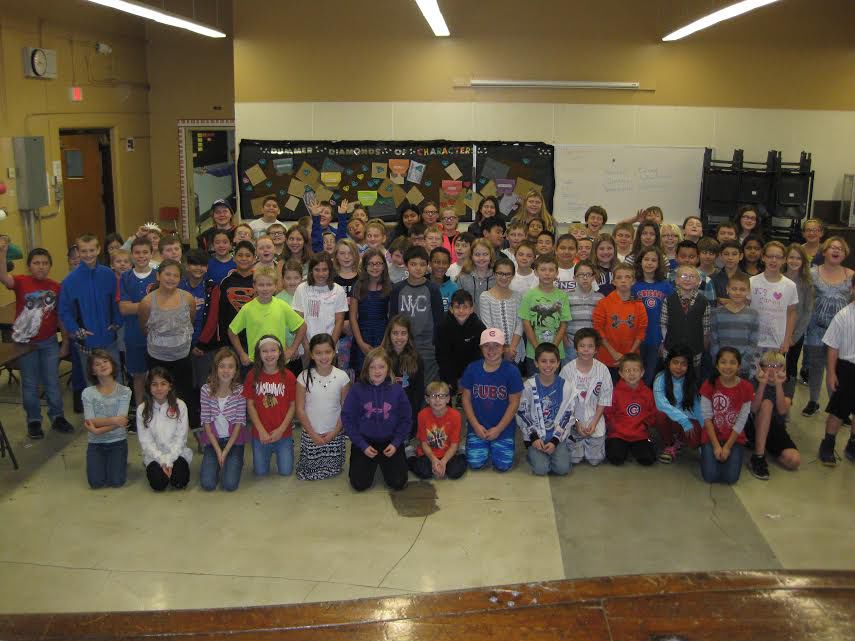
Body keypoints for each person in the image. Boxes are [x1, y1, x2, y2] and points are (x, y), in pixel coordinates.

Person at [0, 242, 71, 438]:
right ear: (29, 266)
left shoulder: (56, 287)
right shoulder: (21, 282)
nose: (41, 266)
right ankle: (33, 421)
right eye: (36, 263)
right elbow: (3, 277)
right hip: (25, 344)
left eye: (45, 263)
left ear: (50, 266)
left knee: (52, 382)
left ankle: (57, 417)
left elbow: (61, 317)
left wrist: (65, 342)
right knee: (30, 384)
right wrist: (2, 253)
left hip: (49, 342)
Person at [59, 233, 124, 413]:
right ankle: (99, 419)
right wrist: (76, 330)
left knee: (115, 379)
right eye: (84, 251)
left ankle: (119, 418)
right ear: (78, 252)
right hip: (86, 342)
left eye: (91, 250)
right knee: (93, 384)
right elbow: (64, 311)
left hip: (109, 339)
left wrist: (117, 322)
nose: (88, 255)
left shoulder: (108, 275)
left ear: (98, 250)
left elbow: (117, 301)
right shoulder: (70, 281)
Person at [342, 347, 411, 491]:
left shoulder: (397, 390)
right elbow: (347, 418)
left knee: (398, 483)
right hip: (365, 441)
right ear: (366, 369)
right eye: (372, 367)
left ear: (388, 368)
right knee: (359, 485)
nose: (377, 371)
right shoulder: (356, 389)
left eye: (381, 367)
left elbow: (406, 419)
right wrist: (362, 444)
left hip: (390, 441)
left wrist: (396, 442)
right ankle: (371, 461)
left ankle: (387, 461)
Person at [802, 237, 853, 417]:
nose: (836, 250)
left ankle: (837, 408)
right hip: (816, 328)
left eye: (840, 248)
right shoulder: (811, 273)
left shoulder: (851, 275)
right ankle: (813, 401)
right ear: (824, 251)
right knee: (816, 365)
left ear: (845, 254)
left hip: (842, 332)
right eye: (832, 247)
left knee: (838, 369)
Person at [138, 260, 196, 416]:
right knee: (159, 396)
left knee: (183, 396)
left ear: (180, 278)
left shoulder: (188, 299)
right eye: (167, 274)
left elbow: (190, 322)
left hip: (182, 356)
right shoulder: (147, 302)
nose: (171, 278)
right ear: (158, 276)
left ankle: (183, 423)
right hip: (157, 358)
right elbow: (145, 329)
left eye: (175, 275)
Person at [460, 328, 524, 471]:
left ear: (503, 348)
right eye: (486, 346)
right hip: (478, 427)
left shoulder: (512, 371)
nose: (491, 350)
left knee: (503, 465)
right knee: (475, 463)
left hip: (503, 428)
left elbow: (514, 403)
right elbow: (465, 399)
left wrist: (498, 429)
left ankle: (495, 444)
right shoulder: (472, 369)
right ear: (481, 348)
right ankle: (477, 442)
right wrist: (475, 426)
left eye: (496, 345)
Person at [295, 334, 351, 480]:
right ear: (312, 355)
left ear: (334, 352)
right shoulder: (303, 377)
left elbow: (345, 409)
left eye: (327, 352)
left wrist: (334, 433)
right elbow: (300, 409)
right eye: (318, 353)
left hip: (334, 433)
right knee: (309, 471)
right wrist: (312, 434)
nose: (324, 356)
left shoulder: (342, 377)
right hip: (311, 433)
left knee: (333, 470)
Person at [228, 265, 305, 369]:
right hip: (256, 363)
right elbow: (232, 331)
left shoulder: (282, 305)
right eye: (261, 285)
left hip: (279, 362)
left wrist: (291, 350)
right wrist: (242, 354)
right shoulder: (247, 309)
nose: (265, 288)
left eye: (269, 284)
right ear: (254, 286)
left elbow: (302, 326)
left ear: (275, 286)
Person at [243, 335, 298, 477]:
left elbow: (293, 405)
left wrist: (281, 430)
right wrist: (261, 430)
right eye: (264, 351)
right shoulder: (252, 375)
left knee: (285, 472)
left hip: (283, 433)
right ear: (259, 354)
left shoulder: (289, 376)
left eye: (273, 350)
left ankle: (287, 445)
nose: (269, 355)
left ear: (280, 352)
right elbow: (250, 404)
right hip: (260, 434)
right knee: (260, 472)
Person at [388, 246, 444, 384]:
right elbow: (392, 319)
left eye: (422, 264)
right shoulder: (397, 289)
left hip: (427, 347)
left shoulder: (433, 289)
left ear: (427, 265)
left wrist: (435, 344)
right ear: (406, 265)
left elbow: (439, 321)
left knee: (427, 385)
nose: (418, 268)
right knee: (405, 385)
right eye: (413, 264)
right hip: (403, 346)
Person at [559, 328, 613, 466]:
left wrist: (594, 423)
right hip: (573, 420)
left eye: (590, 346)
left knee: (595, 460)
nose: (586, 350)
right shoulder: (567, 370)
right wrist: (577, 422)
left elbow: (604, 400)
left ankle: (594, 440)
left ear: (596, 349)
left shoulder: (603, 370)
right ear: (576, 348)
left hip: (595, 417)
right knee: (575, 459)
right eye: (582, 346)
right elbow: (565, 402)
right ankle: (576, 442)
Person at [517, 343, 573, 476]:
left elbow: (568, 415)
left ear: (558, 363)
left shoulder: (566, 386)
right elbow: (522, 413)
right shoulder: (528, 386)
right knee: (541, 469)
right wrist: (534, 438)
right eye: (543, 361)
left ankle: (557, 451)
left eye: (552, 361)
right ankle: (533, 453)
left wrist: (555, 441)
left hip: (556, 436)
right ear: (536, 363)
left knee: (562, 469)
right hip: (536, 437)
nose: (548, 365)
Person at [699, 347, 754, 484]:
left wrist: (728, 447)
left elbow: (741, 421)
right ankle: (706, 452)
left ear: (739, 366)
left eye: (732, 362)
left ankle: (721, 456)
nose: (728, 366)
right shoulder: (708, 385)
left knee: (730, 478)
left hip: (734, 438)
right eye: (723, 362)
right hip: (712, 436)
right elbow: (707, 419)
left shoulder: (747, 387)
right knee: (710, 477)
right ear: (717, 365)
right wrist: (716, 446)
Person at [746, 350, 801, 479]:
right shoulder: (753, 381)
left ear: (783, 368)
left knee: (794, 460)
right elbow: (753, 408)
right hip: (753, 426)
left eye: (777, 366)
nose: (772, 370)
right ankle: (758, 457)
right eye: (768, 365)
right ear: (761, 367)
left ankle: (764, 445)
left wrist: (778, 385)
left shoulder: (788, 383)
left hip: (776, 427)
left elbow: (782, 410)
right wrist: (762, 384)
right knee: (767, 404)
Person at [199, 348, 247, 492]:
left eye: (230, 366)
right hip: (213, 441)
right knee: (208, 484)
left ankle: (235, 459)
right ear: (216, 369)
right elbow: (206, 423)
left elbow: (239, 424)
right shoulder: (206, 390)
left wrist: (225, 451)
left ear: (236, 370)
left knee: (229, 485)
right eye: (222, 366)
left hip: (233, 442)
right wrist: (218, 451)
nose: (226, 371)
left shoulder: (240, 391)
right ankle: (221, 461)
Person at [818, 277, 855, 465]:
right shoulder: (844, 315)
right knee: (839, 410)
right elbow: (832, 346)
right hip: (847, 368)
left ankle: (852, 443)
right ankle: (828, 443)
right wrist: (831, 373)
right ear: (852, 288)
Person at [82, 349, 131, 488]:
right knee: (96, 483)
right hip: (95, 443)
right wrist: (115, 420)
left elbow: (122, 420)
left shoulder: (125, 391)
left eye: (105, 361)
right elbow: (91, 421)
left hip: (118, 441)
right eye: (97, 364)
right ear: (93, 371)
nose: (102, 365)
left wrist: (98, 430)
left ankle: (118, 461)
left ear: (112, 365)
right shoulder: (88, 393)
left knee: (116, 482)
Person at [137, 367, 192, 491]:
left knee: (180, 481)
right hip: (155, 456)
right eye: (154, 384)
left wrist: (170, 460)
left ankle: (172, 470)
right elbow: (146, 441)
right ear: (148, 387)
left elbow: (181, 438)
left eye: (163, 384)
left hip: (176, 454)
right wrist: (162, 460)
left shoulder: (180, 405)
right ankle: (157, 469)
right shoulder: (142, 409)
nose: (159, 388)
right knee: (158, 484)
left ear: (170, 386)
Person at [119, 237, 158, 407]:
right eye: (137, 252)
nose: (141, 256)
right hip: (134, 335)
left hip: (157, 336)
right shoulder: (125, 278)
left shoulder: (158, 276)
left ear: (151, 253)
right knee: (138, 376)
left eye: (145, 252)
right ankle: (141, 411)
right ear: (132, 255)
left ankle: (157, 410)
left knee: (158, 376)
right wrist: (150, 305)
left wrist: (135, 306)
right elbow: (124, 308)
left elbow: (164, 306)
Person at [592, 263, 647, 379]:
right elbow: (598, 329)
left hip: (631, 359)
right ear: (613, 282)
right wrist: (613, 353)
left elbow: (641, 332)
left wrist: (629, 355)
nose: (623, 281)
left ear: (633, 281)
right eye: (619, 277)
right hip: (607, 357)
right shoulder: (603, 303)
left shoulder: (639, 305)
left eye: (627, 277)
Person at [198, 240, 256, 352]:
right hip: (230, 340)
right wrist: (222, 341)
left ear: (254, 259)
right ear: (234, 258)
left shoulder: (259, 281)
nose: (244, 258)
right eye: (240, 255)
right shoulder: (226, 282)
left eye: (248, 255)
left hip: (255, 337)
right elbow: (220, 314)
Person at [293, 252, 348, 363]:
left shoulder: (338, 290)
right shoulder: (301, 289)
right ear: (311, 271)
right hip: (306, 346)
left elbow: (339, 321)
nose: (321, 273)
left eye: (324, 269)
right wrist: (307, 346)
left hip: (330, 347)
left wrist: (330, 347)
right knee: (308, 374)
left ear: (330, 271)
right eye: (317, 270)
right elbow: (298, 321)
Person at [520, 253, 571, 371]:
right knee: (534, 380)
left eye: (551, 270)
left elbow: (564, 323)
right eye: (543, 270)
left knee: (553, 380)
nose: (547, 273)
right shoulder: (529, 295)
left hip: (555, 352)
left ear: (557, 273)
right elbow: (526, 323)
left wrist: (553, 348)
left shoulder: (562, 296)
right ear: (536, 272)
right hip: (534, 351)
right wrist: (537, 348)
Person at [604, 353, 657, 466]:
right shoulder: (615, 392)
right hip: (619, 434)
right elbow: (609, 413)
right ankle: (622, 448)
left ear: (642, 372)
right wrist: (614, 427)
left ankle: (635, 449)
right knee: (615, 459)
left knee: (648, 459)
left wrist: (645, 426)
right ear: (621, 373)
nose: (632, 374)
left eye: (635, 370)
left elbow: (652, 413)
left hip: (640, 434)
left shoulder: (647, 393)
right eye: (627, 370)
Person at [653, 344, 703, 464]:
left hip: (687, 419)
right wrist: (684, 421)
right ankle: (669, 444)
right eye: (675, 362)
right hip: (671, 419)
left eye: (683, 364)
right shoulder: (660, 378)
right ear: (668, 363)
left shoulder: (692, 381)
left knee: (695, 442)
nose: (679, 367)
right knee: (659, 414)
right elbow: (661, 404)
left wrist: (705, 432)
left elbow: (698, 408)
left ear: (689, 366)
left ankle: (679, 441)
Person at [408, 380, 467, 480]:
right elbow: (424, 443)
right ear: (427, 399)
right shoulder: (422, 415)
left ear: (448, 399)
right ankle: (410, 455)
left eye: (442, 396)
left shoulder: (455, 415)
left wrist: (443, 462)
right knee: (425, 473)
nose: (437, 400)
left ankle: (462, 453)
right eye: (433, 396)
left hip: (448, 452)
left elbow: (454, 445)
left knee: (455, 472)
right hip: (428, 453)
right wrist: (434, 460)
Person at [632, 248, 673, 386]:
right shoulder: (633, 285)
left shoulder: (666, 286)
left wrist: (664, 341)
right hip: (636, 338)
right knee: (635, 374)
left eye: (653, 260)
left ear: (659, 264)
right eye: (646, 259)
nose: (649, 263)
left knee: (650, 376)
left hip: (657, 338)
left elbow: (670, 316)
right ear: (640, 262)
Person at [749, 241, 798, 357]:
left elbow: (791, 314)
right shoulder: (752, 282)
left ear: (784, 260)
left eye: (778, 257)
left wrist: (787, 340)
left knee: (774, 369)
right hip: (753, 340)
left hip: (777, 343)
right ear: (763, 257)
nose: (774, 260)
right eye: (770, 256)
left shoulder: (790, 285)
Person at [710, 272, 759, 379]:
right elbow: (714, 341)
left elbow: (753, 342)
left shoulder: (753, 314)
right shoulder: (716, 313)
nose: (738, 292)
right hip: (721, 367)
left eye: (742, 289)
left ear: (748, 291)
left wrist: (742, 364)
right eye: (734, 289)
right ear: (727, 289)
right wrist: (720, 362)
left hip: (742, 368)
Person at [660, 266, 709, 371]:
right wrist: (664, 342)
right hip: (671, 348)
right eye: (683, 276)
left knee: (693, 375)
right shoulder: (668, 300)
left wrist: (703, 346)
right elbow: (663, 324)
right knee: (670, 374)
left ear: (698, 282)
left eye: (692, 276)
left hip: (694, 349)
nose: (687, 279)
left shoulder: (704, 302)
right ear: (677, 281)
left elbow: (705, 328)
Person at [382, 315, 425, 435]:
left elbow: (418, 392)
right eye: (395, 333)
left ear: (409, 335)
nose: (399, 337)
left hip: (407, 414)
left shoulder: (416, 359)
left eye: (403, 333)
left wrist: (412, 416)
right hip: (385, 414)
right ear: (389, 335)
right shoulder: (381, 358)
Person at [437, 290, 487, 394]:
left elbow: (480, 355)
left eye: (465, 307)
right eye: (457, 307)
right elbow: (442, 356)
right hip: (449, 369)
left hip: (472, 369)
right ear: (451, 309)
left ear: (472, 309)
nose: (461, 311)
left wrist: (469, 378)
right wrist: (451, 381)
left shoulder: (479, 327)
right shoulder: (443, 326)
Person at [350, 249, 391, 374]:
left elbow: (392, 318)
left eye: (378, 263)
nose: (375, 267)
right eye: (371, 264)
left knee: (381, 371)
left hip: (382, 334)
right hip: (362, 334)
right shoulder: (358, 286)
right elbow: (353, 318)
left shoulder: (390, 287)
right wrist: (360, 343)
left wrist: (383, 343)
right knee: (362, 372)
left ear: (384, 266)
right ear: (365, 266)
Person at [479, 256, 524, 365]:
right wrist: (504, 349)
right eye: (500, 273)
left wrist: (512, 348)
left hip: (515, 350)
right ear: (494, 274)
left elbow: (520, 324)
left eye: (508, 274)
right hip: (494, 350)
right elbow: (488, 326)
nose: (504, 277)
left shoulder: (518, 296)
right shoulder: (485, 297)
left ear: (513, 275)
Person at [784, 243, 814, 384]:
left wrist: (794, 336)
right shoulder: (779, 278)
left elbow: (807, 311)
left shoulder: (806, 283)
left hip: (796, 333)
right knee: (774, 362)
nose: (794, 261)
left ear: (803, 261)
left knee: (791, 365)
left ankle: (788, 392)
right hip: (778, 331)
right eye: (791, 257)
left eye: (798, 258)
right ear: (785, 259)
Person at [566, 260, 603, 361]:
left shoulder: (600, 298)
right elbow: (562, 321)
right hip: (571, 345)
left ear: (593, 277)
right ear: (574, 278)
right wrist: (565, 340)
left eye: (588, 274)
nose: (585, 278)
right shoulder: (566, 297)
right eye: (581, 275)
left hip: (591, 346)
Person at [457, 238, 495, 318]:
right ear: (471, 256)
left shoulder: (497, 277)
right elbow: (459, 302)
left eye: (485, 254)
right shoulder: (463, 278)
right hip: (469, 321)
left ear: (491, 255)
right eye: (477, 254)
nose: (481, 258)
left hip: (492, 321)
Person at [711, 240, 744, 304]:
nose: (730, 258)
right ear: (720, 256)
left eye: (734, 254)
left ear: (741, 256)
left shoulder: (748, 279)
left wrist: (725, 301)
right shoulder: (713, 279)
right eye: (726, 254)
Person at [429, 246, 458, 312]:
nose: (441, 266)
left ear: (449, 264)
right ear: (430, 263)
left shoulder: (454, 288)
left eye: (444, 263)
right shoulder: (422, 284)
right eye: (437, 262)